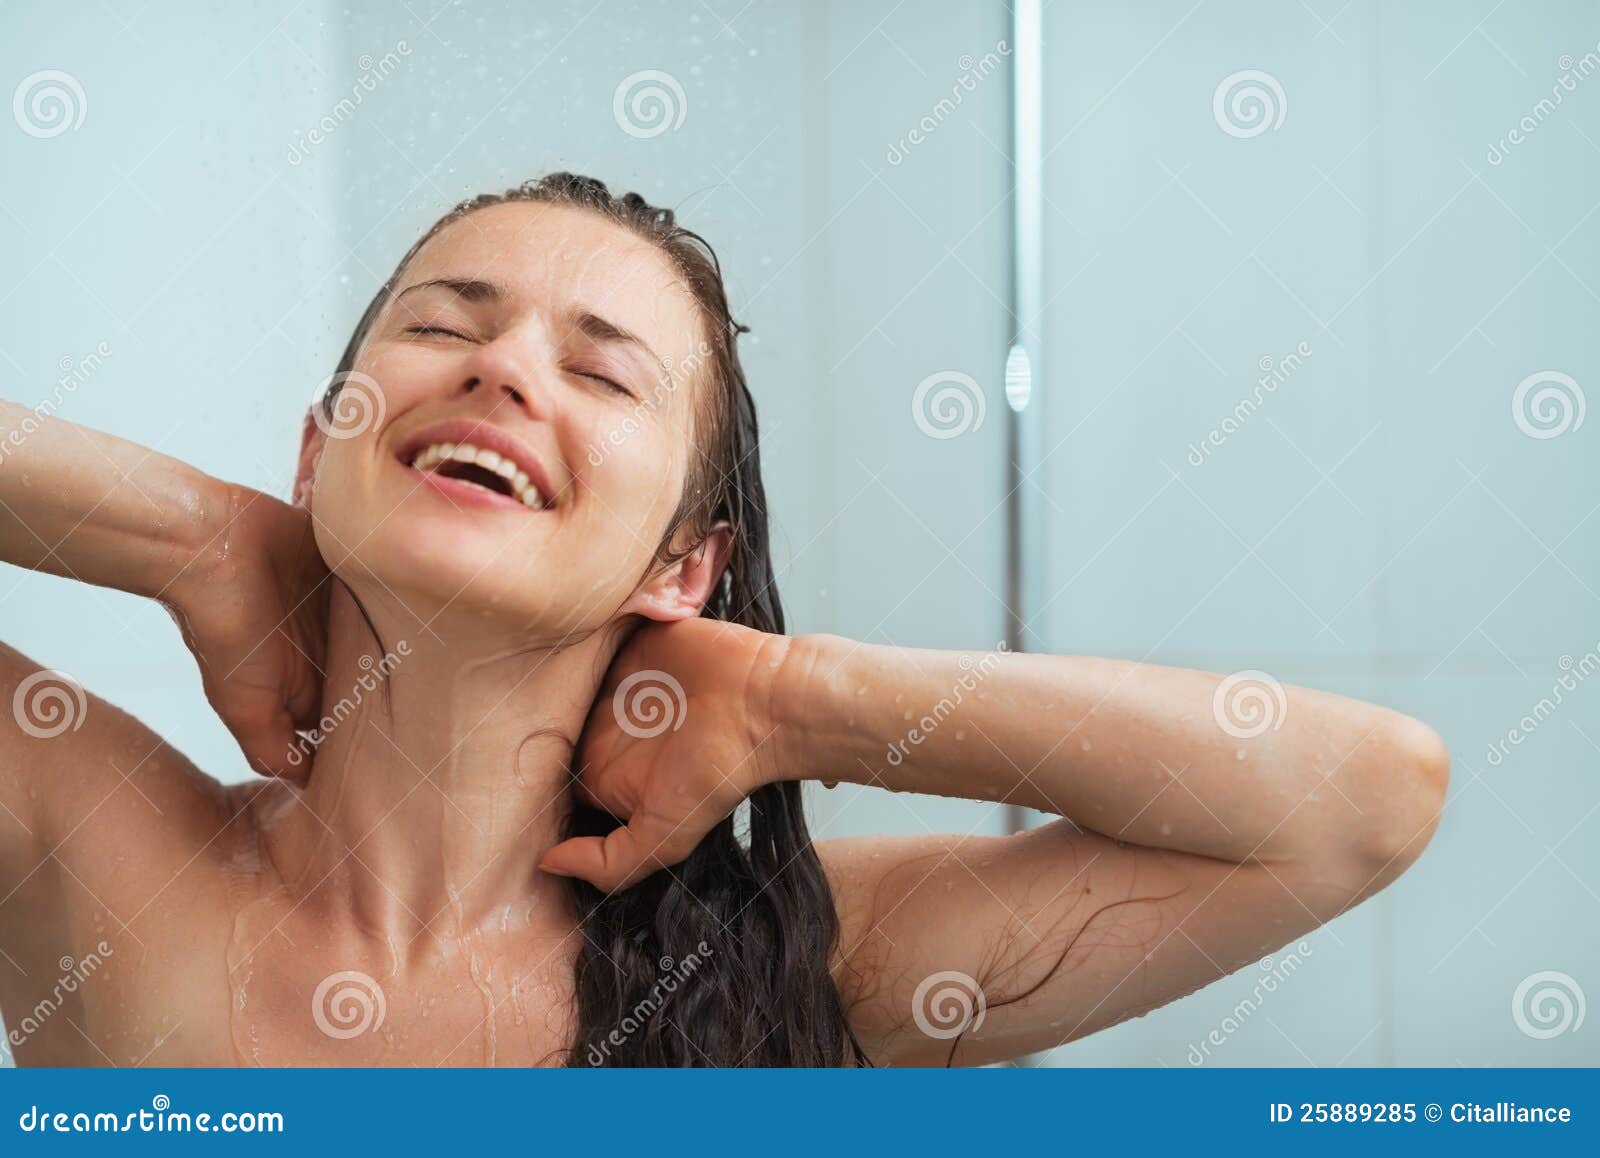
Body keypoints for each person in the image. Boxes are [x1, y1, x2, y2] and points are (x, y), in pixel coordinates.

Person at [0, 174, 1449, 1066]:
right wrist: (189, 529)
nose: (503, 367)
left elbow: (1362, 801)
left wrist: (796, 697)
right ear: (322, 453)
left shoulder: (791, 958)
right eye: (444, 324)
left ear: (683, 563)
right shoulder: (87, 847)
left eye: (603, 370)